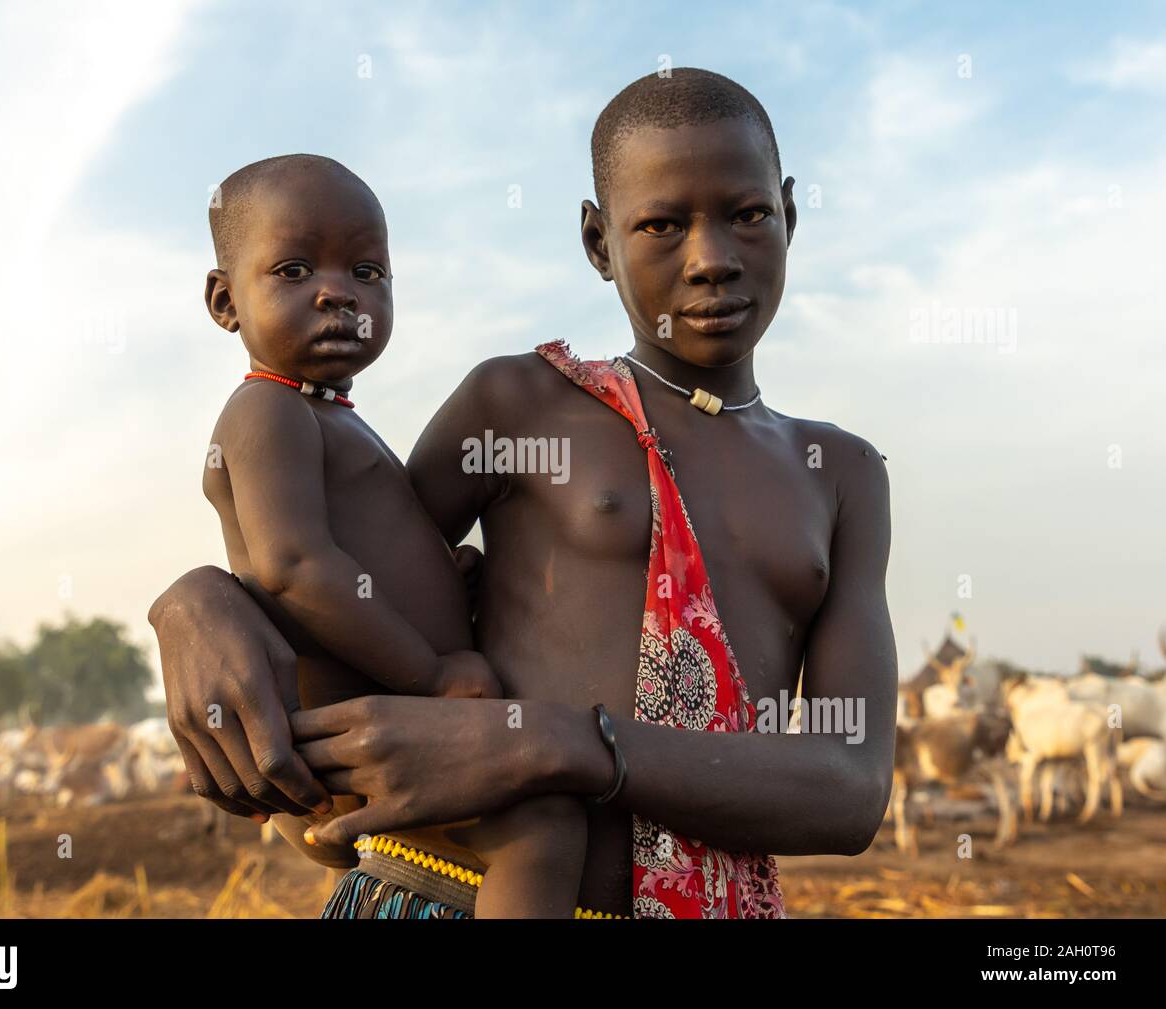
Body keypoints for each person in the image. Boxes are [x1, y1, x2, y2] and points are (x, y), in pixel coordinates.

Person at [150, 68, 898, 919]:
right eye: (659, 224)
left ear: (790, 216)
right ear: (596, 241)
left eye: (749, 214)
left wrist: (559, 744)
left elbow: (850, 788)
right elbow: (343, 579)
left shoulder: (842, 475)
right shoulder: (516, 404)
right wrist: (194, 602)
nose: (712, 260)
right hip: (444, 891)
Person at [192, 153, 586, 917]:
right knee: (540, 819)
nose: (337, 291)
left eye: (368, 272)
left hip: (373, 719)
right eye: (295, 269)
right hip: (349, 730)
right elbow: (292, 567)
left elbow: (367, 551)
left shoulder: (328, 414)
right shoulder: (264, 412)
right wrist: (432, 673)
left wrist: (446, 573)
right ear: (224, 299)